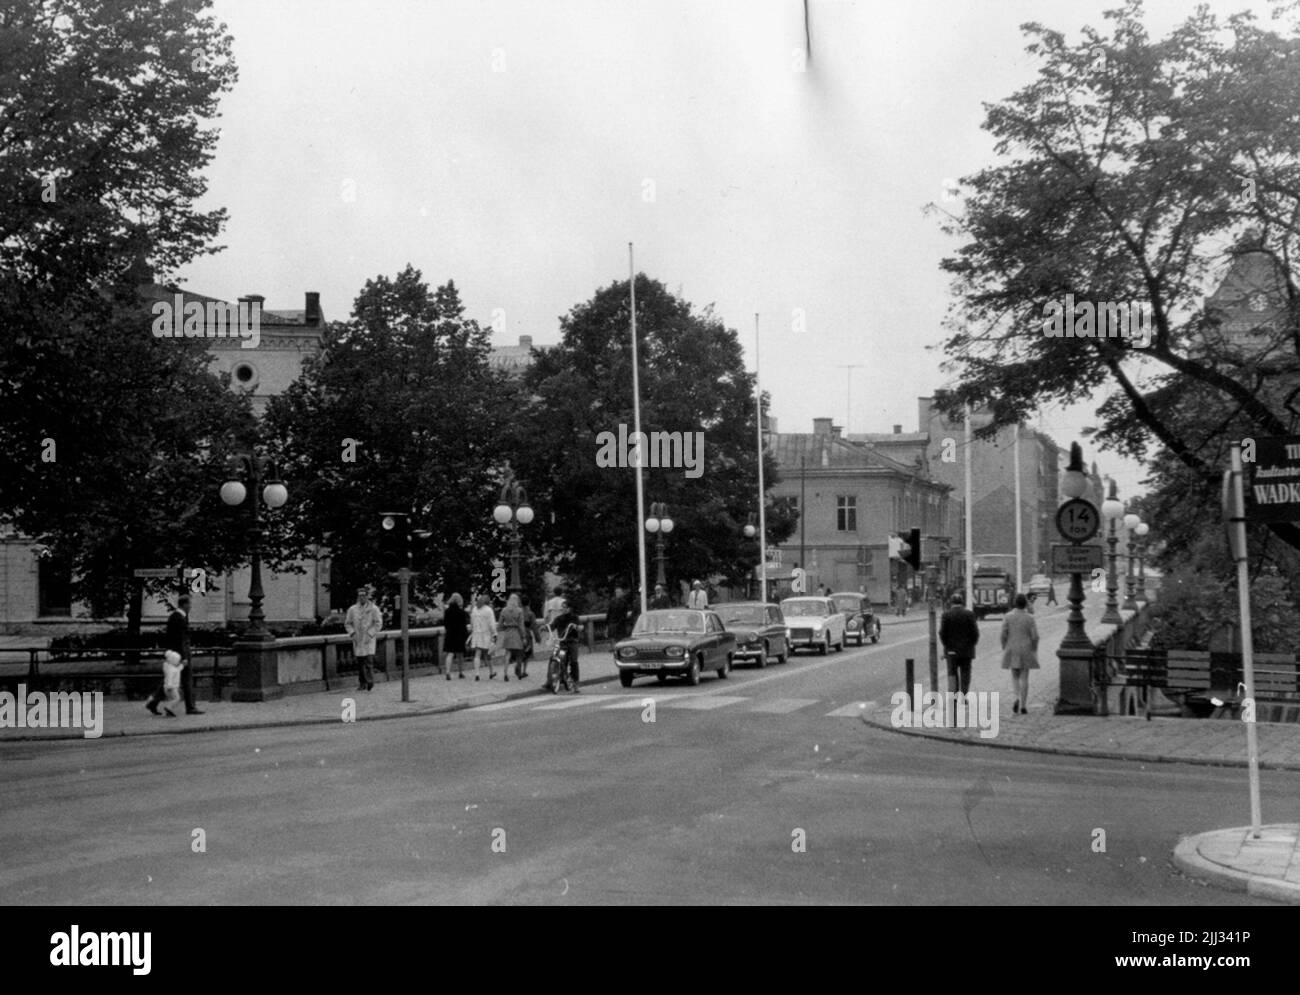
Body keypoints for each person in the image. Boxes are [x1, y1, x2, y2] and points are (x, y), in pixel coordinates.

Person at [146, 594, 202, 716]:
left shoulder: (175, 617)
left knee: (169, 680)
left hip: (173, 653)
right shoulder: (180, 618)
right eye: (190, 604)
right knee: (187, 680)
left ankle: (154, 701)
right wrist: (184, 657)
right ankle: (190, 706)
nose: (191, 607)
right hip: (180, 654)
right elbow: (181, 639)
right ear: (185, 604)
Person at [1001, 593, 1039, 714]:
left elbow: (1003, 634)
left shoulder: (1007, 617)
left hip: (1012, 649)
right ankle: (1023, 705)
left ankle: (1016, 697)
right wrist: (1034, 648)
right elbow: (1035, 636)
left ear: (1014, 603)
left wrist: (1004, 647)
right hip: (1026, 649)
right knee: (1025, 677)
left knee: (1014, 676)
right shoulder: (1030, 618)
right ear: (1025, 604)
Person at [939, 592, 980, 695]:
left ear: (951, 603)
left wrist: (946, 645)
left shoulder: (946, 615)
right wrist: (972, 644)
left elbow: (942, 633)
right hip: (966, 650)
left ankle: (954, 695)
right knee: (966, 673)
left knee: (952, 672)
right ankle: (964, 694)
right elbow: (975, 633)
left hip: (951, 650)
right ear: (962, 602)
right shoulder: (969, 614)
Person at [345, 587, 383, 691]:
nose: (362, 598)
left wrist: (371, 633)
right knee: (360, 661)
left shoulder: (374, 609)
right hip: (358, 638)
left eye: (364, 595)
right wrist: (352, 633)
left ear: (367, 596)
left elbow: (378, 623)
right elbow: (348, 623)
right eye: (360, 595)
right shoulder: (352, 609)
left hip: (368, 638)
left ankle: (370, 681)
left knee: (369, 661)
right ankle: (362, 683)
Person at [547, 598, 583, 693]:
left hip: (572, 641)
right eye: (562, 608)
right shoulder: (559, 618)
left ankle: (575, 682)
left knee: (574, 661)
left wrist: (577, 627)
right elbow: (552, 626)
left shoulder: (574, 617)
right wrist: (545, 627)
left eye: (565, 608)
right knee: (561, 659)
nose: (563, 609)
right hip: (563, 642)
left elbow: (580, 626)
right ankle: (555, 678)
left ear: (569, 608)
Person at [498, 593, 526, 682]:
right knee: (518, 655)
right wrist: (524, 636)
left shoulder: (504, 610)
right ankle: (519, 673)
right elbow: (521, 625)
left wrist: (505, 627)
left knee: (507, 655)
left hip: (508, 633)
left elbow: (499, 625)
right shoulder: (519, 611)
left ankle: (505, 674)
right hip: (516, 633)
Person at [469, 593, 498, 680]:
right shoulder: (489, 610)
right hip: (486, 634)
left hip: (477, 634)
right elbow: (492, 624)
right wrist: (495, 634)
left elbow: (472, 623)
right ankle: (491, 672)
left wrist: (473, 630)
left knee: (477, 654)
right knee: (488, 654)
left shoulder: (474, 609)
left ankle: (477, 674)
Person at [442, 592, 469, 680]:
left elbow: (445, 624)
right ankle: (461, 672)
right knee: (460, 655)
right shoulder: (462, 612)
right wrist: (465, 636)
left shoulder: (447, 611)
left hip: (450, 634)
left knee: (450, 654)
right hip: (459, 635)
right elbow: (464, 626)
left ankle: (448, 672)